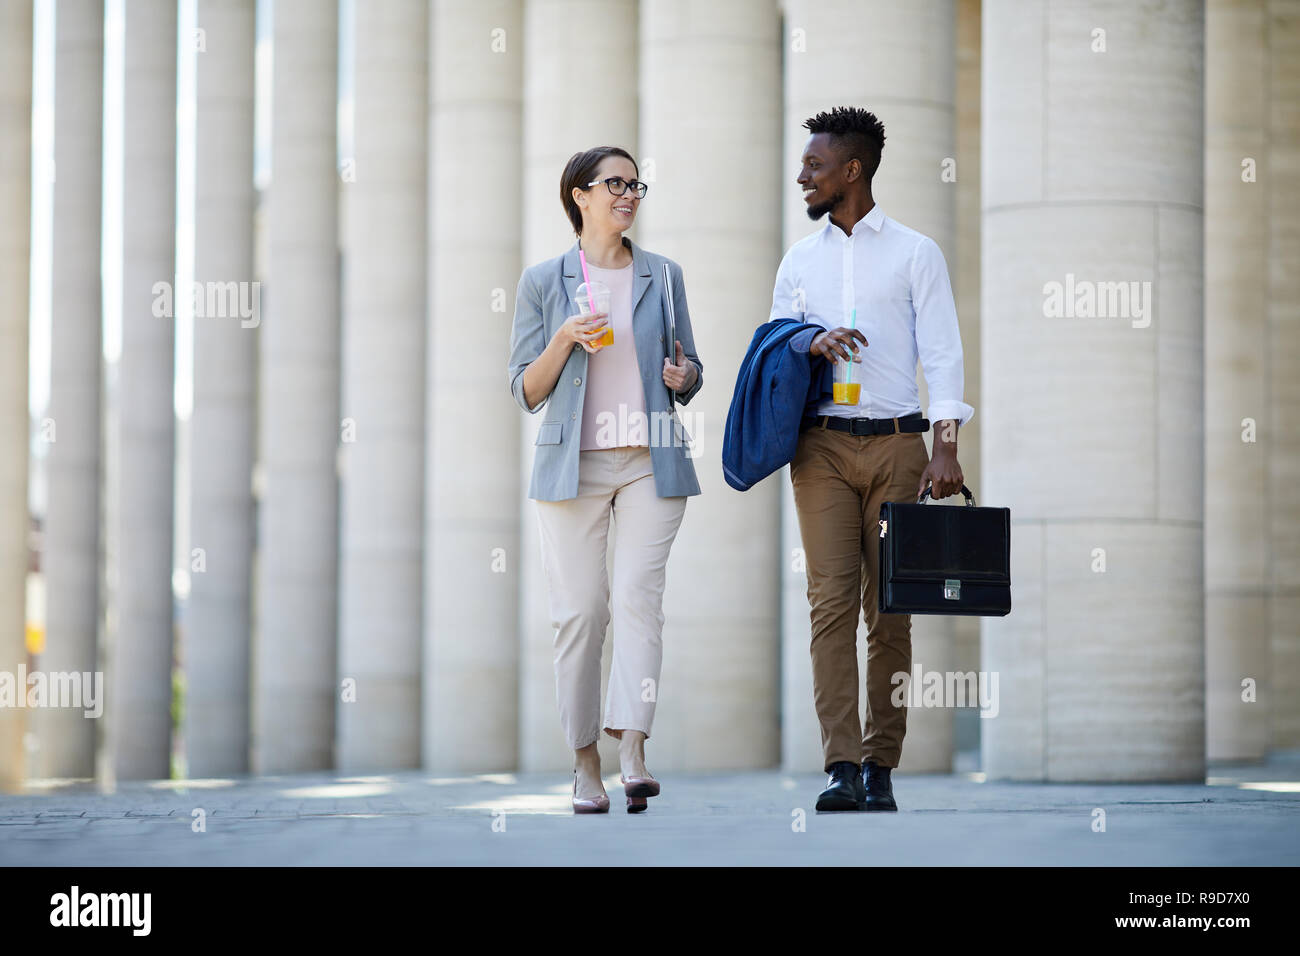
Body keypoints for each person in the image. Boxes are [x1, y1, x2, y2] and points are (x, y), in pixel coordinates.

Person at [772, 107, 974, 812]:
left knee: (890, 613)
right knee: (829, 606)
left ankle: (881, 765)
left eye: (815, 165)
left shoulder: (916, 252)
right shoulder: (800, 259)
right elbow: (774, 344)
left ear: (851, 171)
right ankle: (840, 766)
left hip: (897, 446)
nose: (803, 175)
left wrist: (945, 447)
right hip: (820, 447)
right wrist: (808, 342)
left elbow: (943, 353)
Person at [507, 146, 704, 814]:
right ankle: (585, 763)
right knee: (582, 615)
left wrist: (685, 379)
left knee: (640, 600)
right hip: (573, 467)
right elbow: (526, 390)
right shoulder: (542, 281)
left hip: (651, 460)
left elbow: (690, 367)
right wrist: (563, 339)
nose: (628, 193)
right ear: (579, 196)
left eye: (634, 183)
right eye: (614, 183)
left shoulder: (665, 276)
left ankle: (635, 751)